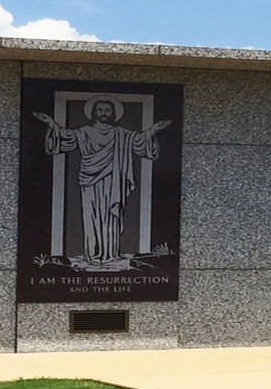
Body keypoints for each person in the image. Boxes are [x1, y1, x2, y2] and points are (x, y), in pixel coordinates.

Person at [32, 96, 171, 268]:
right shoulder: (84, 132)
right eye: (100, 110)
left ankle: (110, 254)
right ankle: (92, 254)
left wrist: (153, 130)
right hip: (89, 181)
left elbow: (140, 141)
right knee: (91, 215)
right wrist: (51, 123)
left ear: (113, 113)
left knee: (111, 216)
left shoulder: (121, 133)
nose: (104, 113)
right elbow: (64, 137)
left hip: (114, 182)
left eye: (107, 110)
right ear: (93, 112)